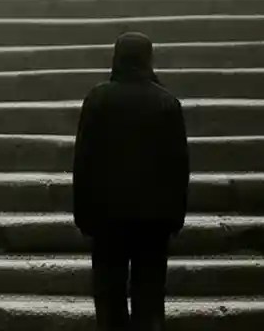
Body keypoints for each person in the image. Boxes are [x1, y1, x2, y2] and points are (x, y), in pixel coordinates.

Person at [72, 32, 190, 331]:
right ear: (149, 59)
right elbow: (178, 166)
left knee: (109, 294)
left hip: (106, 217)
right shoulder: (166, 103)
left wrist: (82, 214)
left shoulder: (98, 99)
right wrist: (176, 216)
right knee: (149, 294)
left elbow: (84, 161)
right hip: (154, 219)